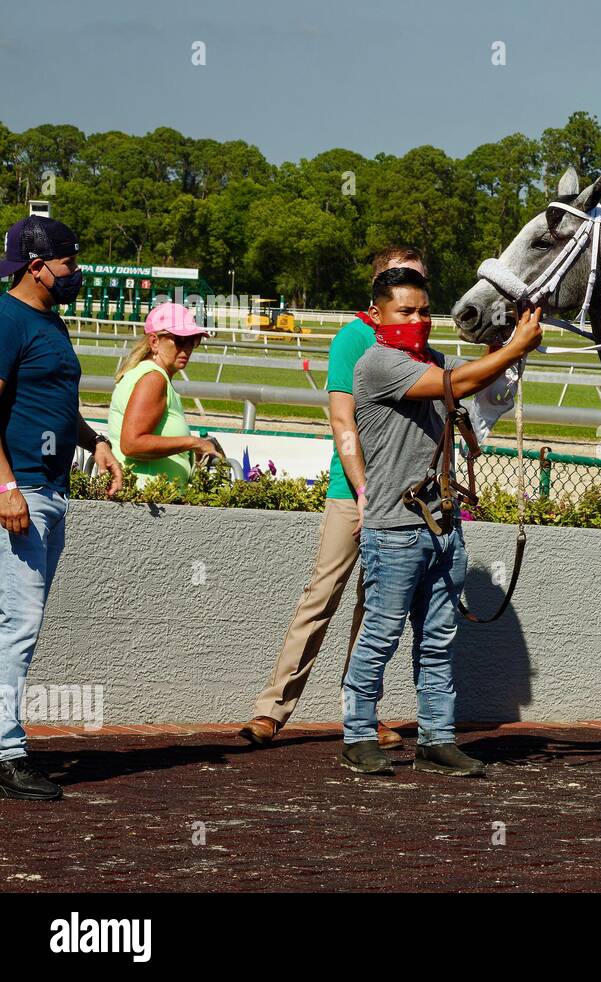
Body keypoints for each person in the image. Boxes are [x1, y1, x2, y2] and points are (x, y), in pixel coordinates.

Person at [339, 267, 540, 777]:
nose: (418, 319)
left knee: (438, 638)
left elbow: (479, 382)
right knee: (381, 635)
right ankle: (359, 734)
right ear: (378, 315)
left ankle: (436, 737)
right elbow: (458, 382)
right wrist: (512, 349)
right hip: (395, 527)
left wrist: (507, 355)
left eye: (424, 310)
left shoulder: (431, 358)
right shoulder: (377, 364)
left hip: (444, 527)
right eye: (406, 311)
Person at [240, 247, 425, 747]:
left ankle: (360, 714)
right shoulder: (353, 338)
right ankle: (272, 709)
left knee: (377, 609)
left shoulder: (420, 342)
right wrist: (364, 491)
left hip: (404, 504)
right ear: (379, 288)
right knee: (322, 596)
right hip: (355, 494)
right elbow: (342, 421)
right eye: (399, 281)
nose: (412, 297)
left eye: (417, 285)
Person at [0, 216, 123, 801]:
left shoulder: (51, 322)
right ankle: (6, 753)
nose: (76, 273)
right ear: (36, 265)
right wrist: (5, 487)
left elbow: (55, 406)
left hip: (49, 489)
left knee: (16, 624)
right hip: (20, 490)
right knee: (17, 626)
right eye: (70, 263)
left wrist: (93, 440)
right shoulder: (6, 318)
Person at [107, 302, 221, 489]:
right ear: (154, 341)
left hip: (149, 497)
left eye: (192, 341)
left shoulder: (143, 373)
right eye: (179, 340)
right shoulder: (154, 379)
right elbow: (131, 444)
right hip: (148, 499)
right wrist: (193, 443)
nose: (187, 348)